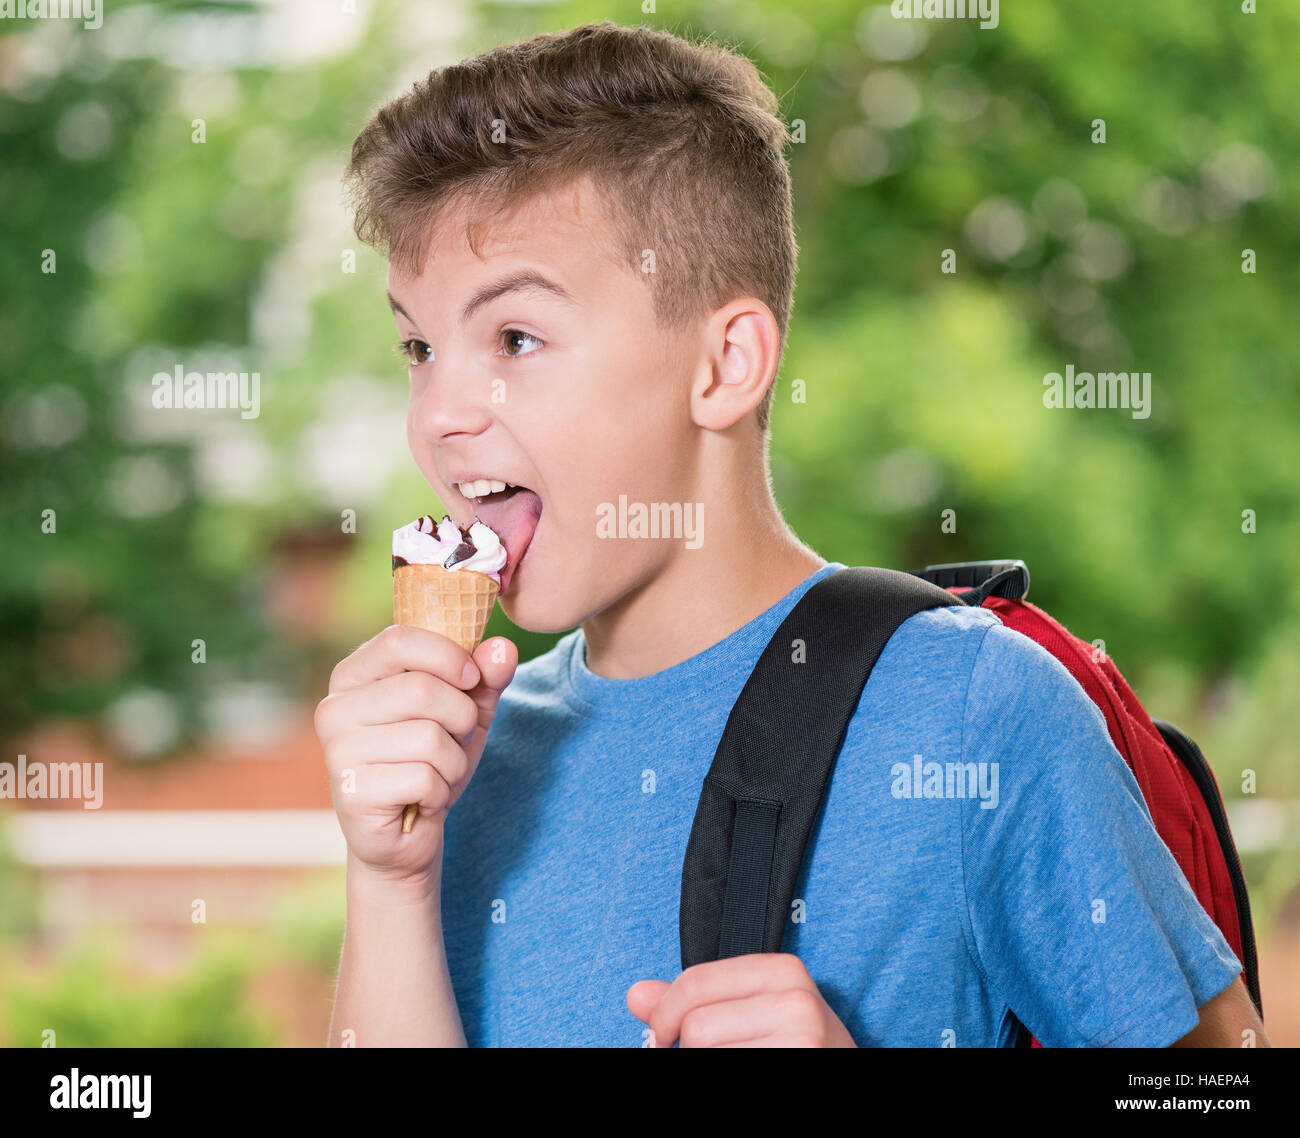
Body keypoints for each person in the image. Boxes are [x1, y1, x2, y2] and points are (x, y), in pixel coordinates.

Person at [315, 21, 1266, 1047]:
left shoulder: (971, 709)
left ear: (724, 366)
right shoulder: (467, 757)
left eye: (514, 337)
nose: (439, 413)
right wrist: (389, 879)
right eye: (418, 343)